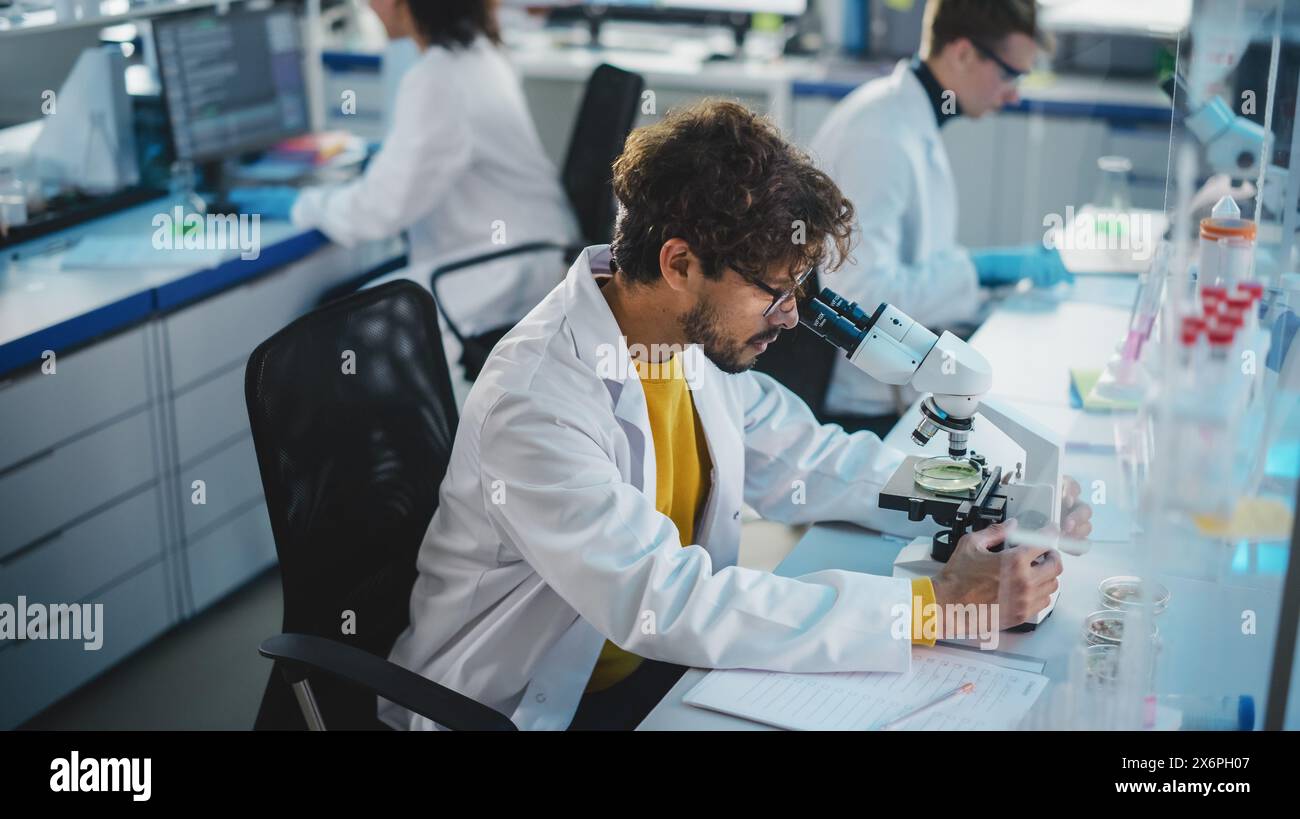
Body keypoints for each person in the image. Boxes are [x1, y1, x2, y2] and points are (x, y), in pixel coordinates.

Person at [379, 100, 1091, 731]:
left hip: (648, 675)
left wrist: (987, 492)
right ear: (680, 262)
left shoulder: (678, 344)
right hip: (523, 705)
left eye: (797, 290)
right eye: (772, 292)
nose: (788, 317)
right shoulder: (537, 401)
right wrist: (934, 604)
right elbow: (667, 599)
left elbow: (808, 460)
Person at [231, 0, 579, 390]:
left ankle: (437, 446)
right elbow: (435, 159)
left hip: (506, 266)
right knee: (353, 313)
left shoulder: (439, 77)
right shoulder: (478, 51)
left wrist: (298, 206)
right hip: (534, 252)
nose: (368, 4)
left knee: (362, 329)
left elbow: (379, 210)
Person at [809, 0, 1070, 435]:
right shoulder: (880, 135)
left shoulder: (911, 118)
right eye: (1009, 74)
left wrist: (980, 280)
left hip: (895, 379)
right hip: (860, 405)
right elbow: (862, 297)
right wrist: (976, 271)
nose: (1014, 94)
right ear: (963, 52)